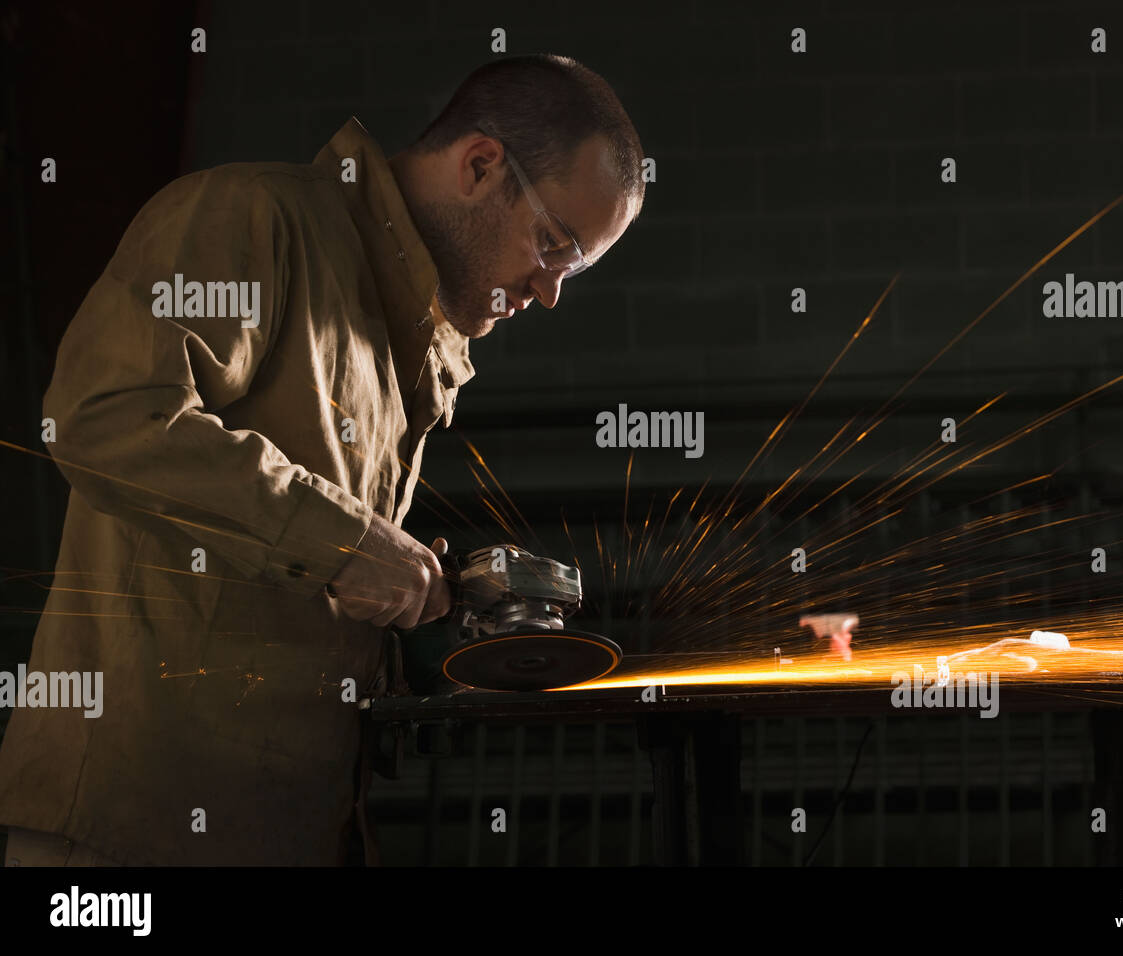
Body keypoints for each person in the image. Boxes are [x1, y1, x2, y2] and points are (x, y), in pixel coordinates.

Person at [0, 53, 644, 866]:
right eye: (553, 246)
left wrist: (426, 619)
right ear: (481, 165)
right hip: (130, 831)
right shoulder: (249, 219)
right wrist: (351, 546)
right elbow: (104, 415)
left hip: (286, 826)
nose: (549, 291)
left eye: (574, 270)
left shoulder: (410, 327)